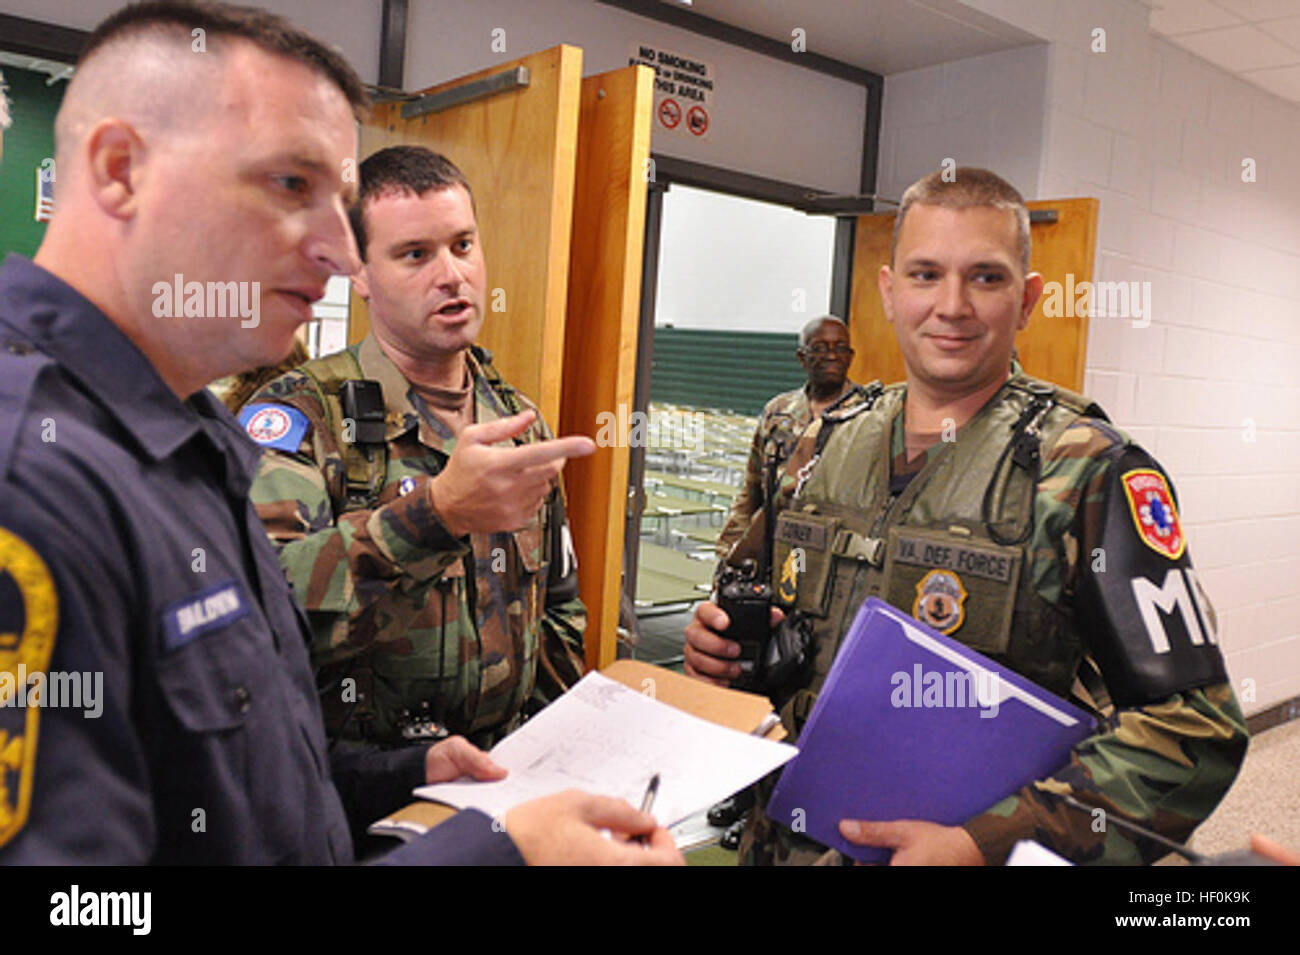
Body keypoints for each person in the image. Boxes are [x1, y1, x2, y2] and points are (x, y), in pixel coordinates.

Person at [0, 0, 678, 866]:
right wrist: (500, 856)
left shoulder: (188, 440)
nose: (336, 249)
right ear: (122, 169)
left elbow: (255, 776)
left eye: (340, 201)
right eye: (291, 185)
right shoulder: (31, 474)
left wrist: (401, 774)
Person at [685, 166, 1247, 866]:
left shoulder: (1088, 470)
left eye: (985, 276)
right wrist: (729, 651)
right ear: (889, 292)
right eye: (925, 275)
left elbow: (1194, 728)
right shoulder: (820, 442)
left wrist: (988, 845)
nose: (951, 305)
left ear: (1029, 298)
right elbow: (774, 619)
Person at [238, 146, 587, 753]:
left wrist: (550, 754)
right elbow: (266, 614)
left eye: (462, 245)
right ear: (360, 273)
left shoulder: (517, 421)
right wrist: (436, 516)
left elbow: (557, 608)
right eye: (415, 255)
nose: (451, 275)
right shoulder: (299, 416)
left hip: (500, 783)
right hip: (361, 804)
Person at [714, 316, 871, 561]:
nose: (831, 356)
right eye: (820, 348)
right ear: (802, 357)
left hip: (834, 552)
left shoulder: (869, 414)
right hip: (774, 545)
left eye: (840, 348)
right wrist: (730, 551)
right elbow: (752, 488)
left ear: (850, 356)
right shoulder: (778, 411)